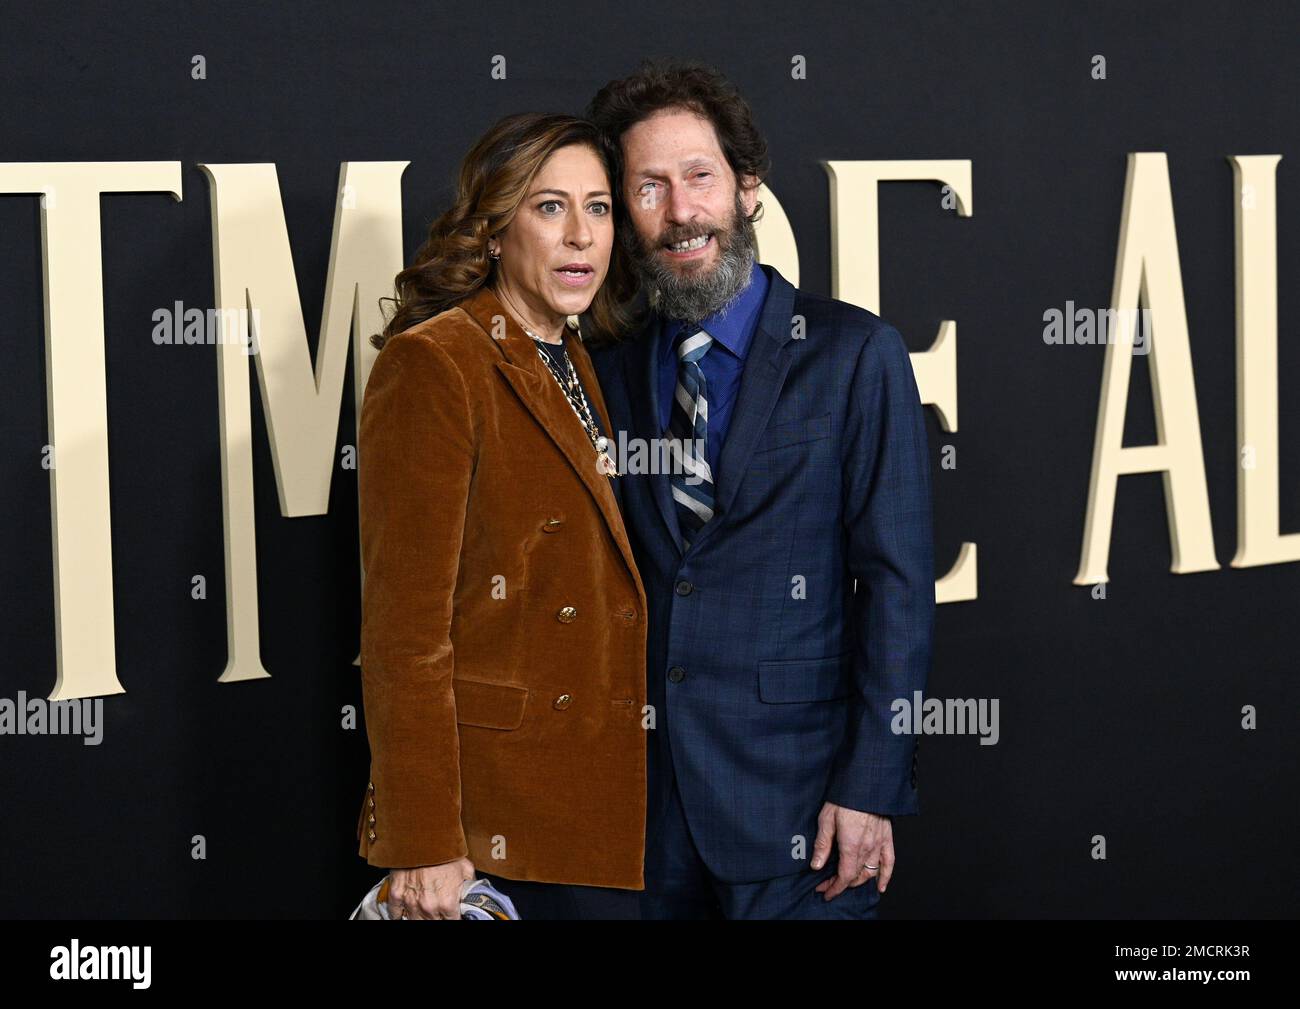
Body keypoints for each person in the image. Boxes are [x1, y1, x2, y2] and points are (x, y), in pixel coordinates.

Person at [586, 59, 936, 919]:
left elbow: (896, 587)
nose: (681, 212)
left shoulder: (856, 355)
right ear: (625, 217)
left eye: (700, 177)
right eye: (648, 188)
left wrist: (872, 786)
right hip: (642, 823)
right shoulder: (609, 373)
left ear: (748, 188)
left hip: (806, 817)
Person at [355, 112, 648, 919]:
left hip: (594, 796)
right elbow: (402, 631)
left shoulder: (580, 356)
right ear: (493, 229)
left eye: (599, 208)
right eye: (550, 207)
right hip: (493, 817)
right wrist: (423, 841)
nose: (581, 236)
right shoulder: (435, 362)